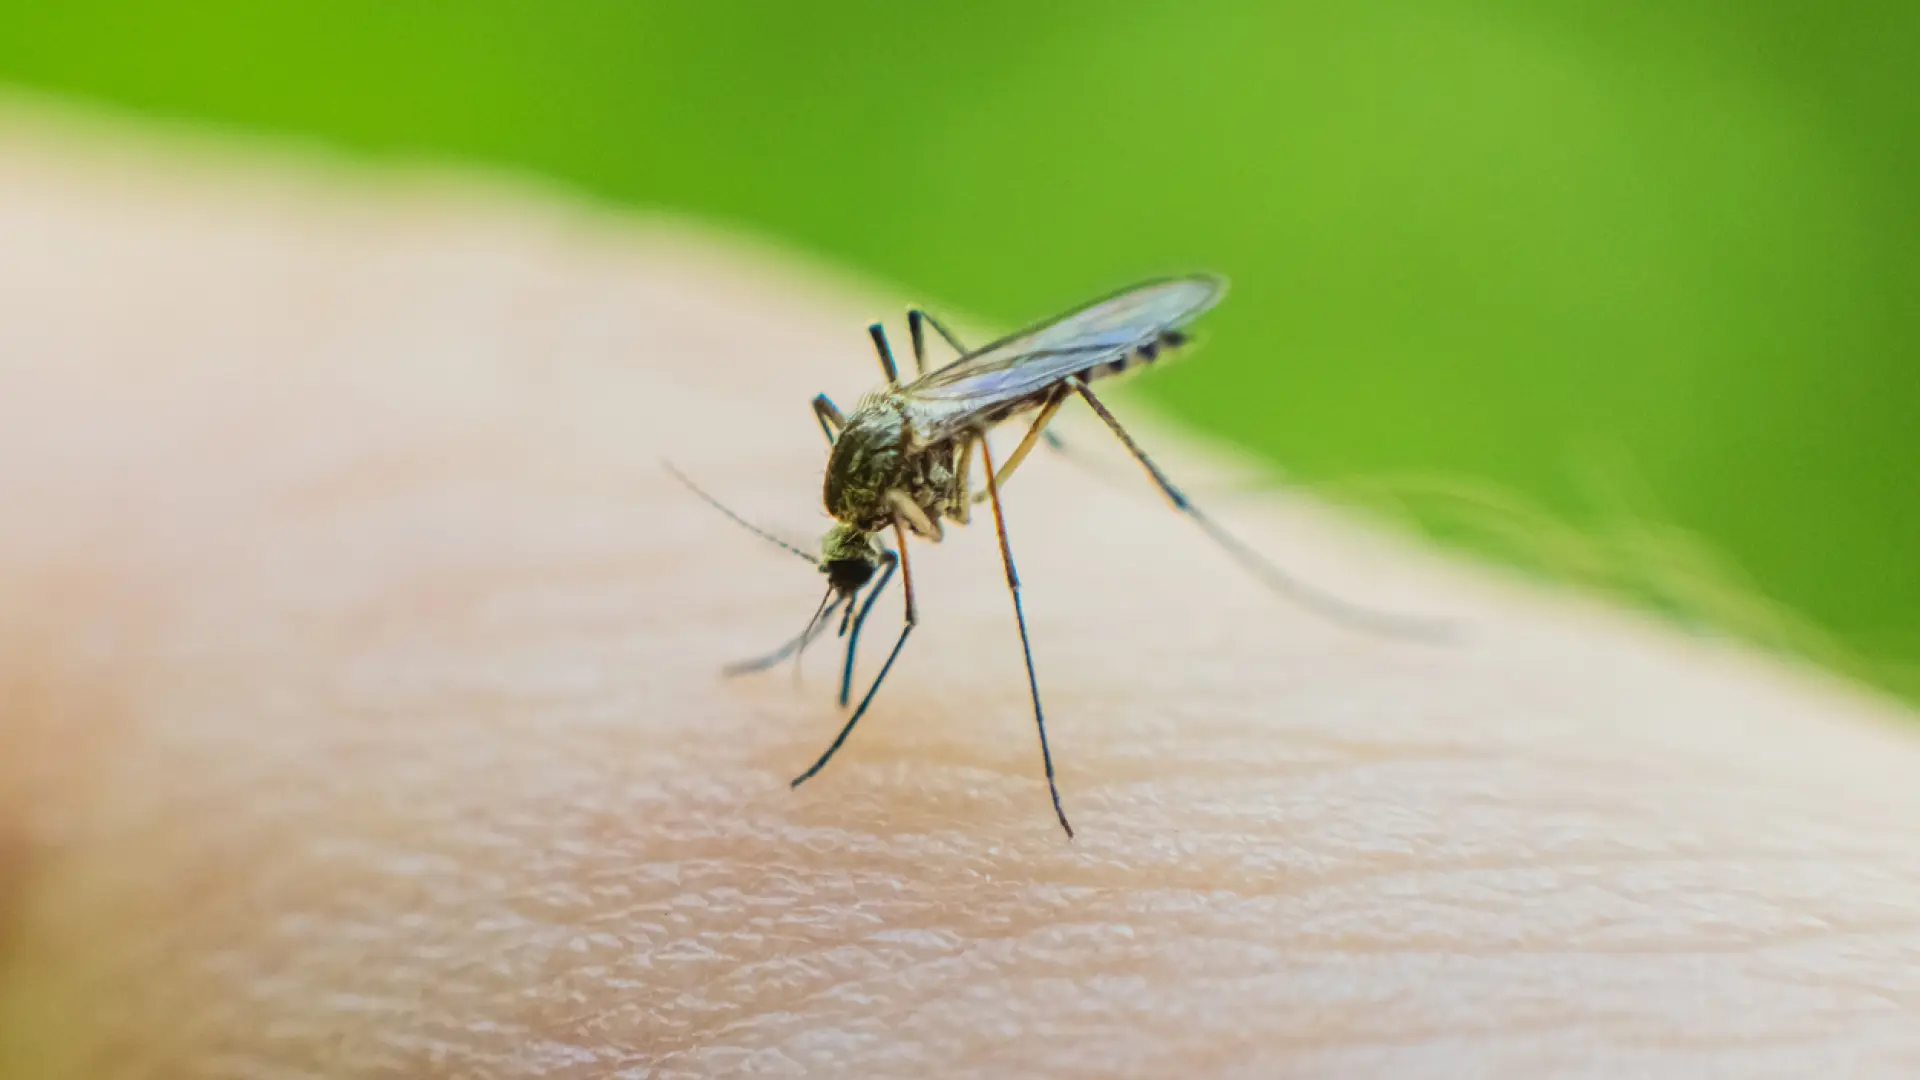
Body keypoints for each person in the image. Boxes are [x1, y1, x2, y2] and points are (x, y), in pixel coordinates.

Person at [3, 122, 1918, 1078]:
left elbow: (912, 547)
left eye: (837, 567)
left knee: (989, 536)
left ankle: (1162, 518)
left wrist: (921, 528)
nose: (850, 569)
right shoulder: (857, 484)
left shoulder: (896, 488)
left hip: (1013, 381)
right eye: (839, 566)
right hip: (958, 398)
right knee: (929, 449)